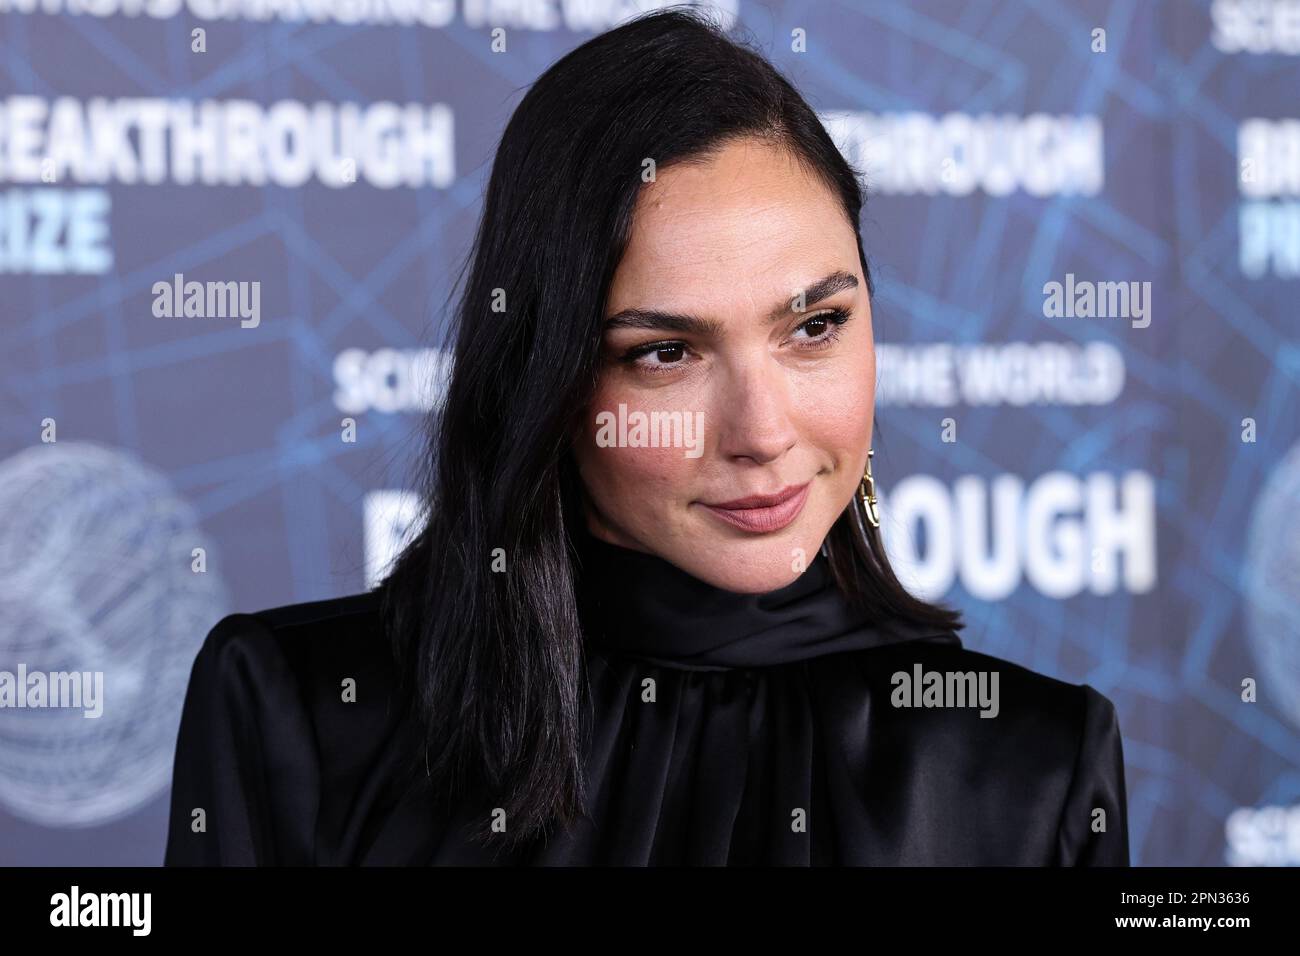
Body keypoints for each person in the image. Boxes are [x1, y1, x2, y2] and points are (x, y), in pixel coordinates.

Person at [164, 7, 1128, 866]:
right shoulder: (300, 715)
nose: (762, 432)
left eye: (815, 326)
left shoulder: (1035, 762)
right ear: (548, 377)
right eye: (666, 353)